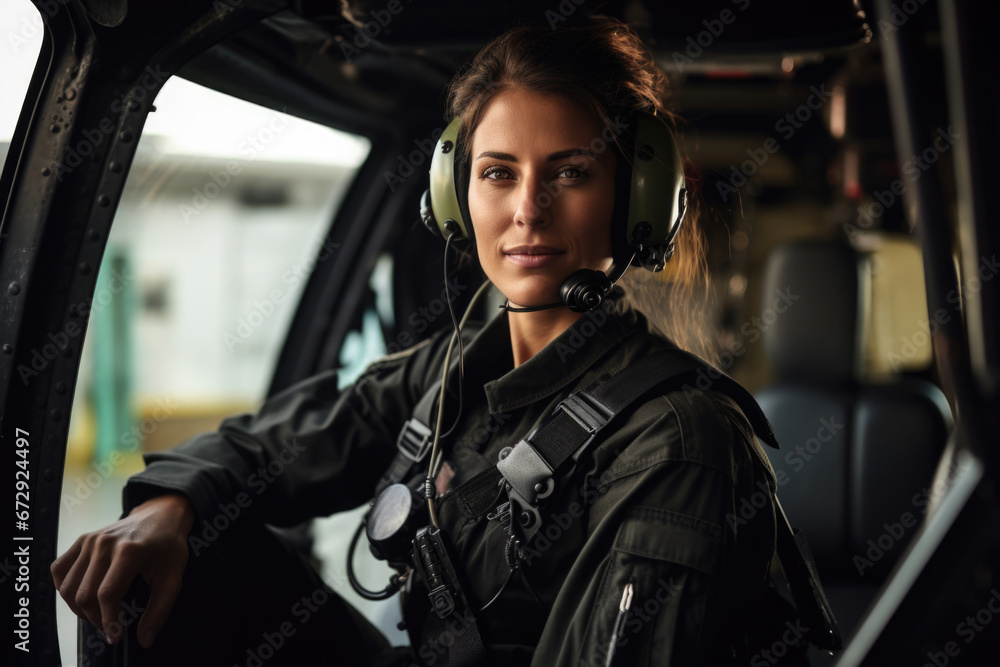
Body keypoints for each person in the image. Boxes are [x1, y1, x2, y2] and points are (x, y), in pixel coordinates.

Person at [51, 17, 780, 666]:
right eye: (498, 173)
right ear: (454, 196)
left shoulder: (679, 440)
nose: (528, 210)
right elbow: (272, 444)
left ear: (637, 200)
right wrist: (166, 506)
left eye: (572, 172)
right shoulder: (454, 370)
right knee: (179, 554)